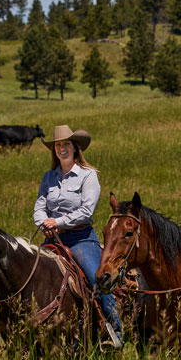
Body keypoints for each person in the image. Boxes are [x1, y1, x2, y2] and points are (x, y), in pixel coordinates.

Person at [33, 125, 122, 348]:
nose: (62, 148)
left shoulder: (88, 175)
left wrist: (57, 221)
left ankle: (114, 330)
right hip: (52, 239)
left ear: (75, 148)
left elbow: (86, 211)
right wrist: (43, 222)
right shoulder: (48, 177)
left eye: (66, 144)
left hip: (80, 237)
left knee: (96, 278)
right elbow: (39, 205)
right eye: (58, 145)